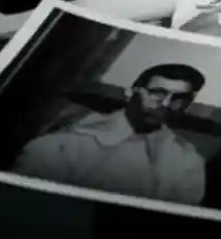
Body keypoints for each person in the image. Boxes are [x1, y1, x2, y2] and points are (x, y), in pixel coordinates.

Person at [12, 63, 208, 205]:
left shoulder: (187, 162)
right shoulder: (65, 143)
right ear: (131, 92)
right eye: (157, 93)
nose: (165, 104)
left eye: (178, 99)